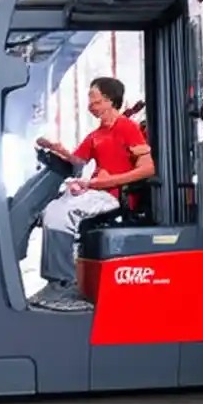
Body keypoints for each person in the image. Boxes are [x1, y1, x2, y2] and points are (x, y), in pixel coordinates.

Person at [30, 76, 154, 311]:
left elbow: (148, 168)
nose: (90, 104)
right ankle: (55, 282)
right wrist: (56, 149)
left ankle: (65, 285)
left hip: (112, 194)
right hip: (95, 189)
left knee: (61, 215)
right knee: (50, 210)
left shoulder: (127, 127)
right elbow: (78, 160)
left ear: (109, 100)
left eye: (94, 99)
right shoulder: (96, 134)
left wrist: (107, 182)